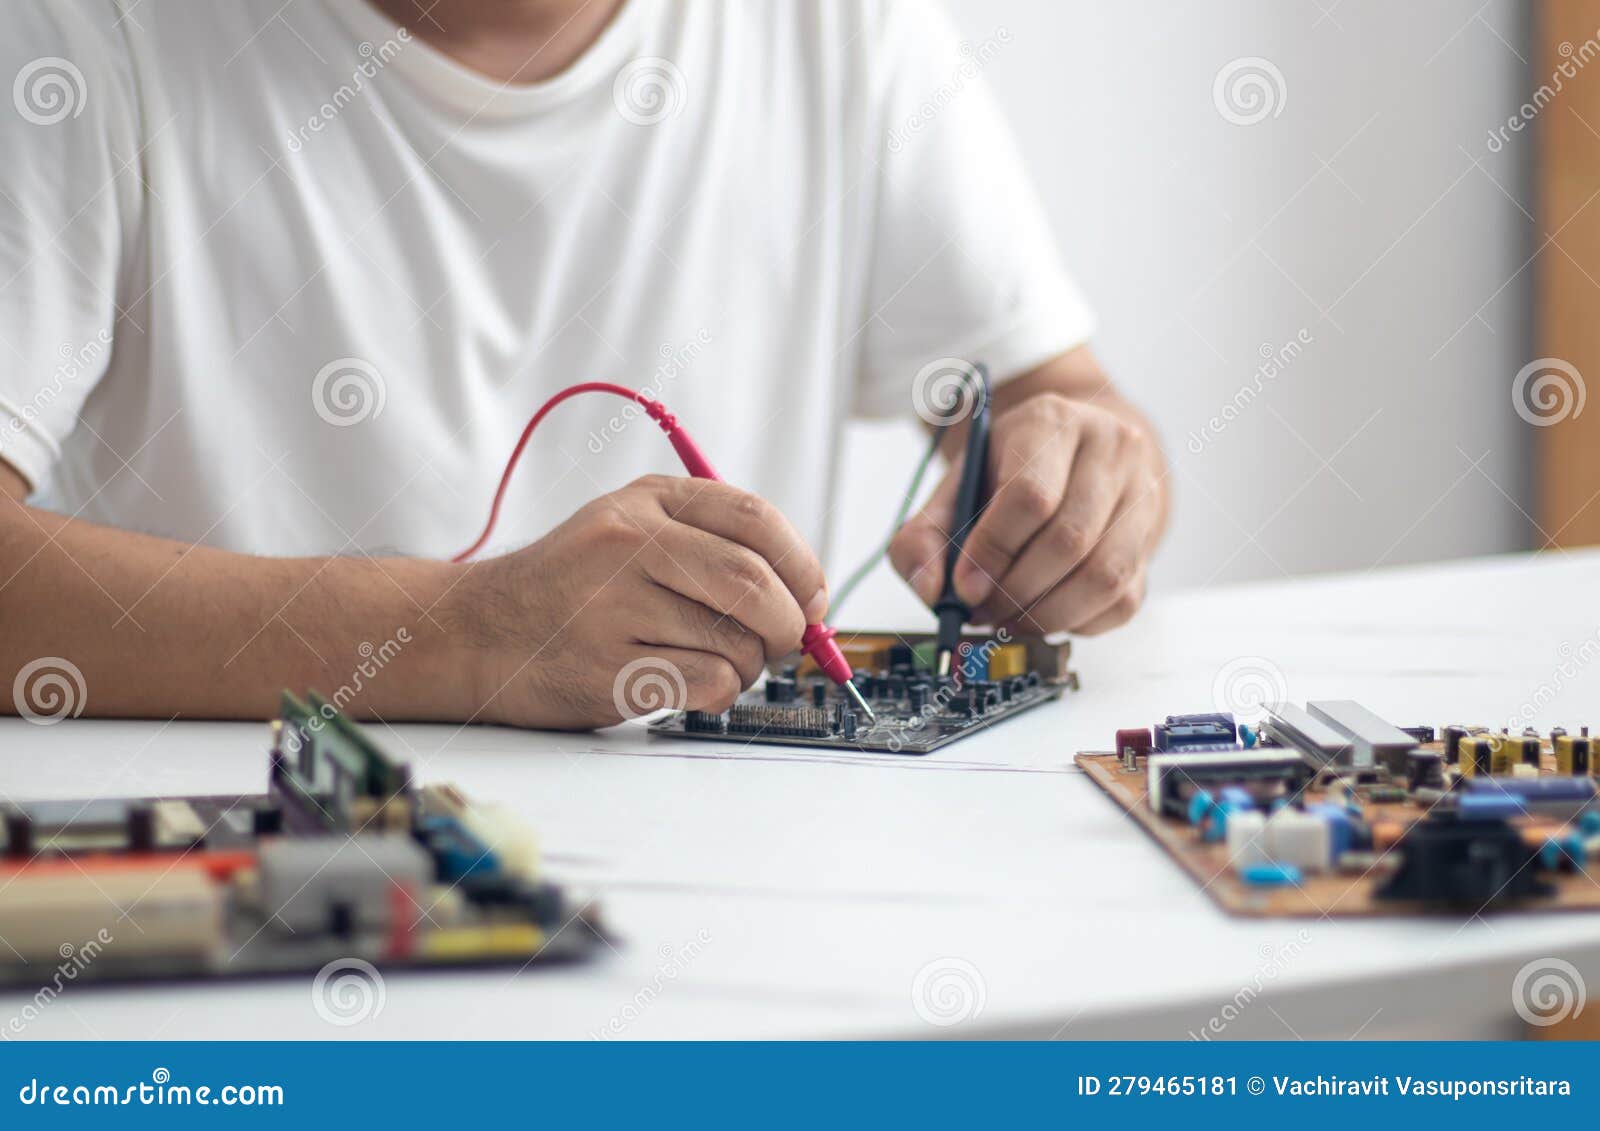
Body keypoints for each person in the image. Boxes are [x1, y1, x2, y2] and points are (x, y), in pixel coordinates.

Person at [0, 0, 1167, 729]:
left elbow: (1048, 399)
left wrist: (1079, 487)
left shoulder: (840, 26)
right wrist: (468, 637)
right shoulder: (79, 34)